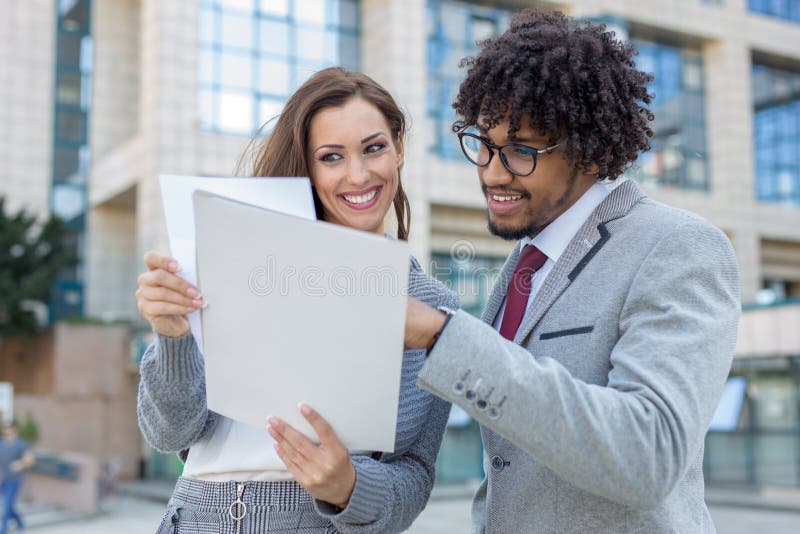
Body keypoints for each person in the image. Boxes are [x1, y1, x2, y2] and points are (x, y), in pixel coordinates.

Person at [404, 10, 740, 533]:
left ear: (587, 150)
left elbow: (648, 455)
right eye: (484, 143)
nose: (492, 172)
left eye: (520, 150)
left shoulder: (678, 247)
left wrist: (444, 337)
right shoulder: (524, 265)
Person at [136, 67, 458, 533]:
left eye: (374, 148)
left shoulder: (431, 309)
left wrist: (349, 486)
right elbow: (169, 434)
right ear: (308, 167)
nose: (358, 174)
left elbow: (415, 476)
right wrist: (172, 340)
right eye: (331, 157)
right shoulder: (233, 254)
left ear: (399, 148)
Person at [0, 422, 35, 534]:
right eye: (6, 429)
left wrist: (20, 464)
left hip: (15, 480)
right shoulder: (1, 444)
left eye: (9, 429)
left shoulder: (21, 444)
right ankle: (20, 523)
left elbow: (30, 459)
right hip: (4, 479)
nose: (7, 431)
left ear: (15, 430)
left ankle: (3, 530)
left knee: (7, 505)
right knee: (9, 506)